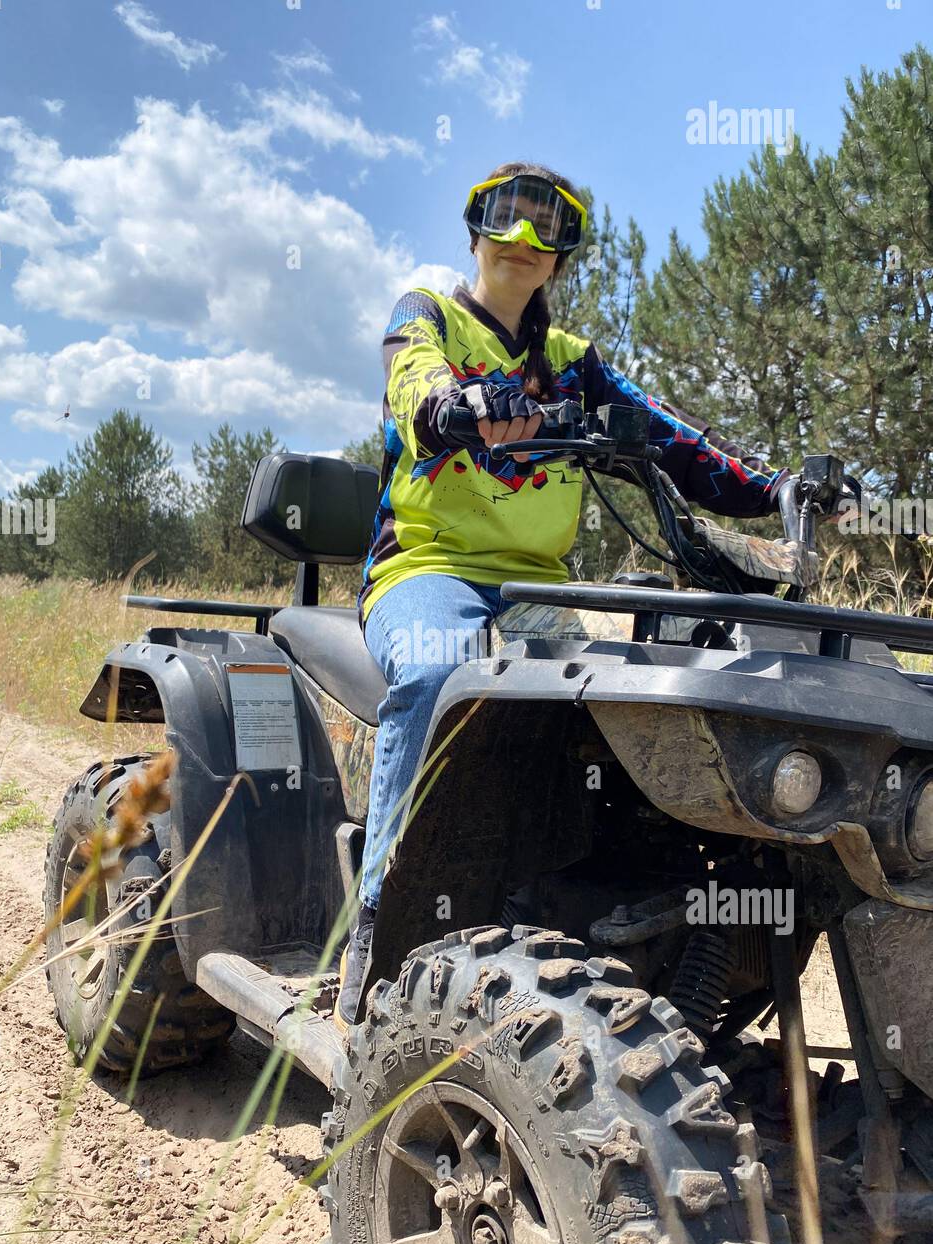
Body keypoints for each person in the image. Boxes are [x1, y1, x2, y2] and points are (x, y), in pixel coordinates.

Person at [334, 160, 788, 1029]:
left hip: (537, 588)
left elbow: (678, 445)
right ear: (475, 231)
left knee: (609, 713)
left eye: (551, 227)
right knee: (438, 676)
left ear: (562, 258)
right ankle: (378, 927)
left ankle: (587, 917)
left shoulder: (573, 364)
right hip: (426, 569)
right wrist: (456, 405)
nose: (526, 240)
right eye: (508, 218)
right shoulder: (424, 313)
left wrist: (775, 491)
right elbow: (412, 384)